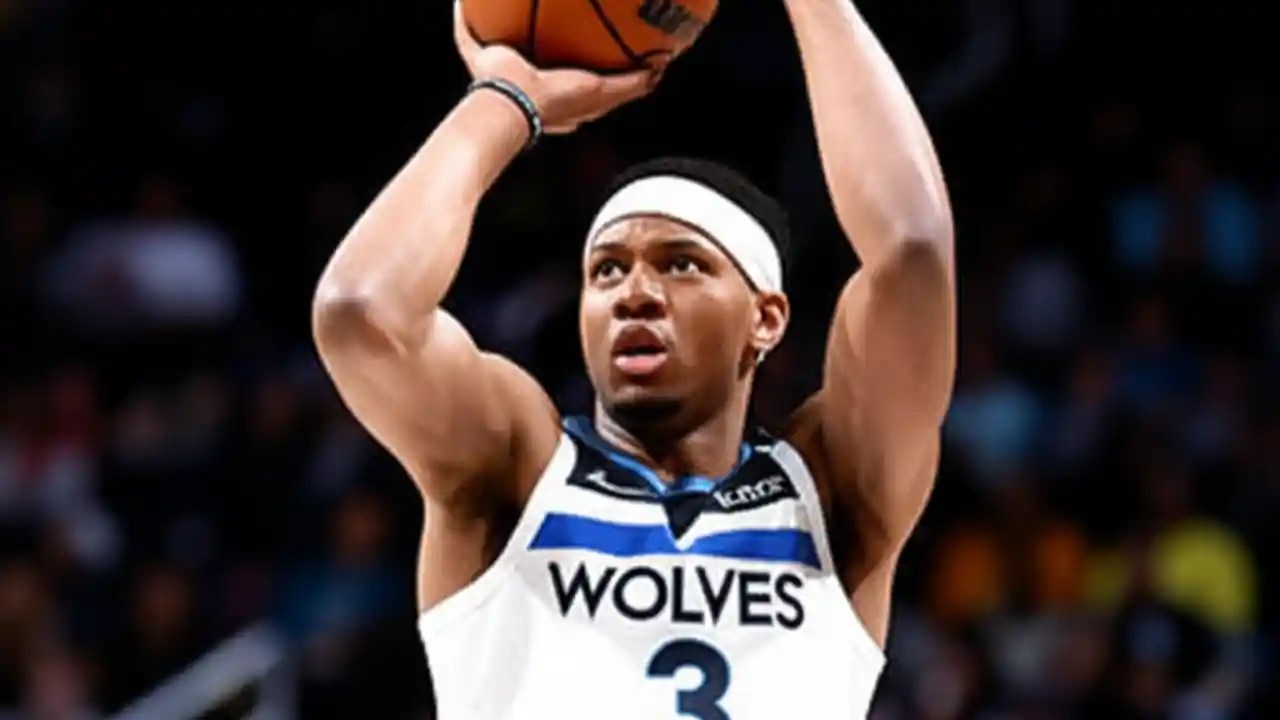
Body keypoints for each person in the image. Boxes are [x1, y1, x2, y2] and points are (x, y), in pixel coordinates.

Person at [312, 0, 954, 716]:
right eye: (607, 270)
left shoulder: (832, 490)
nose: (635, 294)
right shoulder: (517, 469)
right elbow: (360, 312)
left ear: (765, 318)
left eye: (681, 265)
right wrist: (504, 97)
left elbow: (914, 254)